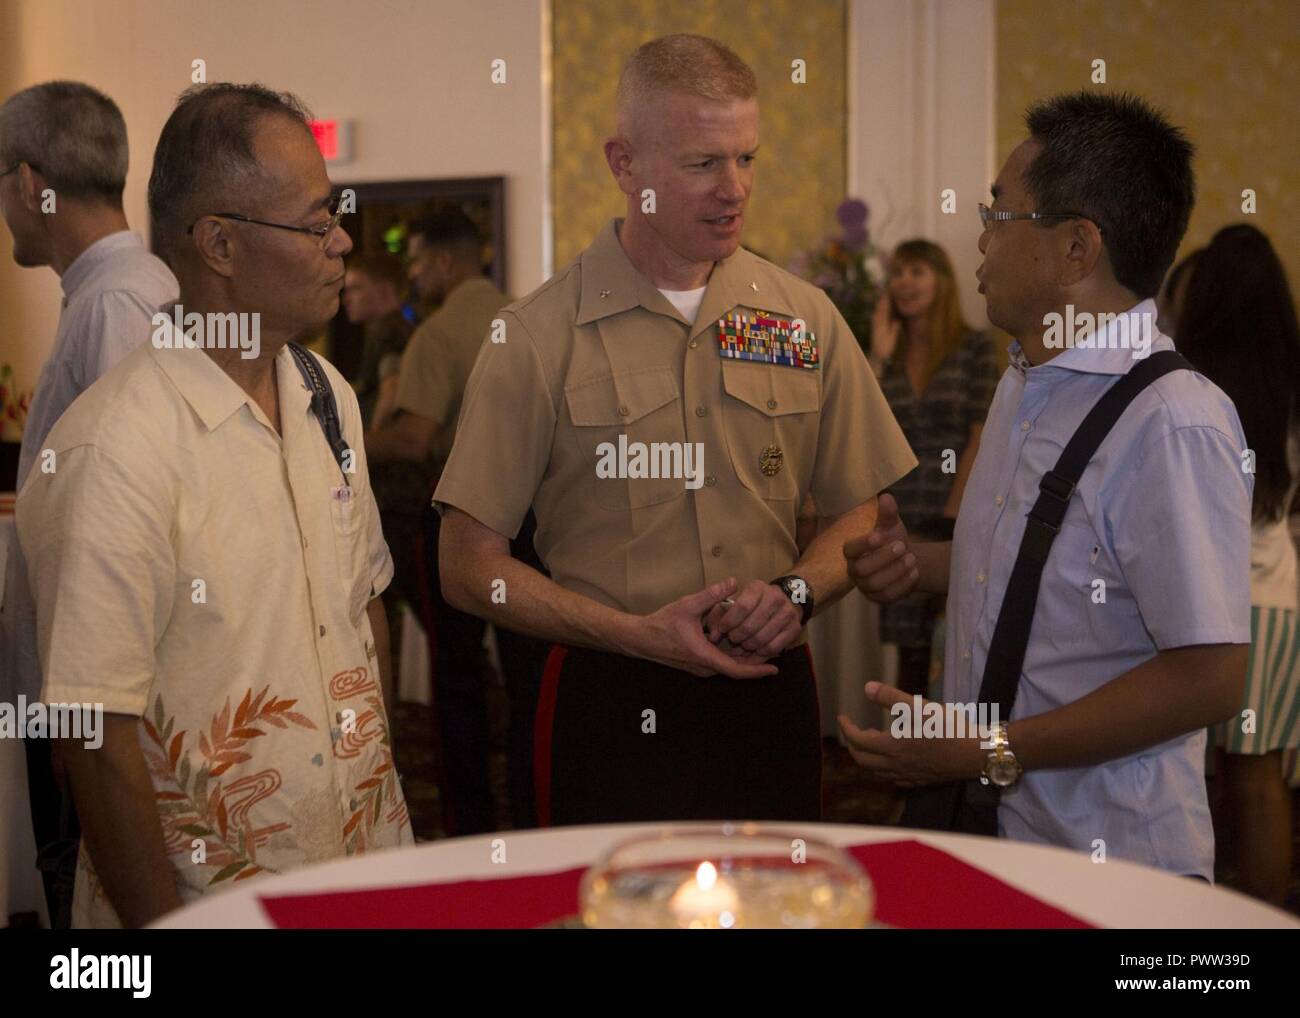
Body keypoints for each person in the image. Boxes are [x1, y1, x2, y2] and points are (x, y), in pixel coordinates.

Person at [433, 34, 916, 826]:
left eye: (748, 159)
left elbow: (859, 508)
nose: (735, 190)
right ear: (625, 165)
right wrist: (634, 633)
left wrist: (796, 590)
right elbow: (466, 566)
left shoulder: (802, 317)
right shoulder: (535, 335)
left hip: (772, 684)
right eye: (703, 164)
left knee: (784, 905)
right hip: (610, 693)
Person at [16, 83, 411, 928]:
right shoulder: (114, 447)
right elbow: (95, 735)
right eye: (315, 224)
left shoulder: (326, 394)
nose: (344, 241)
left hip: (356, 873)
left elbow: (360, 611)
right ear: (220, 244)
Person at [843, 91, 1251, 880]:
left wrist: (990, 751)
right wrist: (921, 563)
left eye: (1000, 213)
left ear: (1076, 248)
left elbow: (1210, 674)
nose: (982, 239)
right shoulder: (1026, 381)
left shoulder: (1172, 420)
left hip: (1112, 860)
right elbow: (1047, 562)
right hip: (996, 834)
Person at [0, 80, 178, 927]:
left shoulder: (116, 301)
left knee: (88, 895)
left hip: (89, 696)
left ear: (32, 182)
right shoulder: (115, 289)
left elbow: (121, 522)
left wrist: (81, 727)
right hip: (82, 691)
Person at [366, 209, 548, 833]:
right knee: (530, 675)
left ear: (444, 261)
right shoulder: (534, 320)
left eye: (417, 262)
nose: (414, 274)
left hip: (463, 519)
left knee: (456, 675)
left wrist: (346, 441)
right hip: (536, 522)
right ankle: (533, 811)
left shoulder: (437, 335)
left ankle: (468, 821)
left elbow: (415, 440)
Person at [1175, 224, 1300, 904]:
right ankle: (1266, 924)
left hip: (1204, 602)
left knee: (1201, 775)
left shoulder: (1192, 382)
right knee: (1259, 780)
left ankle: (1213, 918)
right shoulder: (1291, 379)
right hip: (1276, 599)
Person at [869, 239, 998, 696]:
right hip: (897, 517)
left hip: (954, 518)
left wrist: (952, 522)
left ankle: (949, 759)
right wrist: (879, 356)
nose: (905, 282)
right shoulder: (888, 353)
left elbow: (981, 436)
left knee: (952, 648)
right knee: (910, 654)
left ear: (942, 281)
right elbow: (866, 426)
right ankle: (906, 757)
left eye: (918, 271)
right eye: (898, 273)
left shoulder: (975, 349)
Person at [341, 252, 424, 659]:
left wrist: (362, 438)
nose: (346, 296)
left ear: (385, 290)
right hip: (398, 488)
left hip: (397, 488)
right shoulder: (389, 329)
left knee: (383, 596)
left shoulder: (390, 331)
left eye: (356, 287)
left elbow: (391, 391)